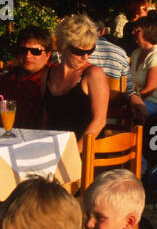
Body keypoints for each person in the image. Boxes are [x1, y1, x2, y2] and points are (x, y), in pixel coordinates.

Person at [42, 15, 109, 149]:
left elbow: (99, 121)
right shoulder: (47, 75)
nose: (85, 56)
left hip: (85, 151)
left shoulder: (93, 74)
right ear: (62, 47)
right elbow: (45, 117)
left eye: (90, 50)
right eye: (78, 51)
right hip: (54, 148)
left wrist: (74, 152)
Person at [0, 27, 53, 129]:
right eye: (23, 50)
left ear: (48, 55)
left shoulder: (54, 79)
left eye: (35, 51)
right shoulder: (5, 79)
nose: (28, 55)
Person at [128, 17, 157, 118]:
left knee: (128, 110)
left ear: (148, 32)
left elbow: (150, 89)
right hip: (137, 98)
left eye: (137, 30)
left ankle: (136, 133)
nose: (133, 33)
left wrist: (132, 99)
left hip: (152, 103)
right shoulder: (136, 53)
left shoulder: (156, 55)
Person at [86, 12, 131, 83]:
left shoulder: (77, 52)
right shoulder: (120, 52)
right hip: (114, 93)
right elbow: (128, 87)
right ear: (103, 31)